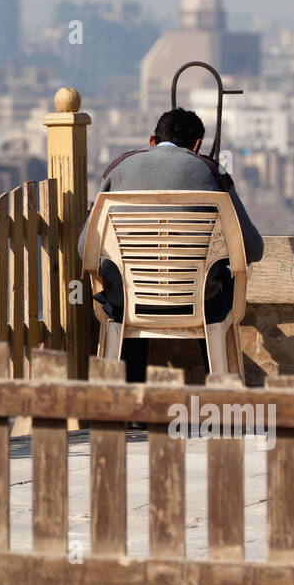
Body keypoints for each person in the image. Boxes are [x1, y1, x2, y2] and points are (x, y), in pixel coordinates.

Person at [78, 108, 264, 383]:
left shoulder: (118, 170)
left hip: (128, 302)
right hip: (197, 303)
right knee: (216, 286)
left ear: (152, 141)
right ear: (197, 145)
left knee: (126, 290)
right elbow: (254, 249)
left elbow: (85, 250)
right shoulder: (210, 172)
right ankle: (220, 398)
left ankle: (131, 410)